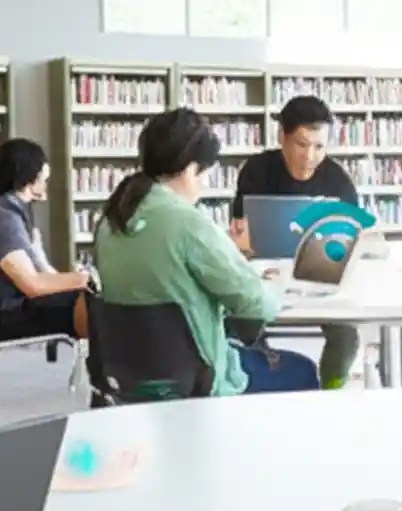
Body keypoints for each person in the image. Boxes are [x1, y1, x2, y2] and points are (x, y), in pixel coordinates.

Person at [95, 109, 319, 396]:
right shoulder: (188, 222)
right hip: (200, 380)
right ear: (190, 168)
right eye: (204, 174)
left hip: (129, 379)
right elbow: (256, 303)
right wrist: (274, 285)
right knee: (302, 370)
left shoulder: (111, 219)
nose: (204, 183)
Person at [230, 95, 361, 390]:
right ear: (283, 138)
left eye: (319, 147)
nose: (310, 156)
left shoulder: (337, 180)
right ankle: (250, 384)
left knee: (346, 333)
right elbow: (240, 230)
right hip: (264, 276)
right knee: (242, 324)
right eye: (302, 145)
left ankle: (331, 391)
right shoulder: (256, 171)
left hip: (321, 278)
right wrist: (243, 243)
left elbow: (353, 235)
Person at [0, 138, 90, 340]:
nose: (45, 185)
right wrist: (85, 280)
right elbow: (33, 285)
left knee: (100, 302)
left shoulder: (2, 211)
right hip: (14, 315)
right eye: (43, 179)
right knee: (99, 306)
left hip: (16, 307)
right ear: (29, 179)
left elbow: (41, 272)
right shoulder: (0, 219)